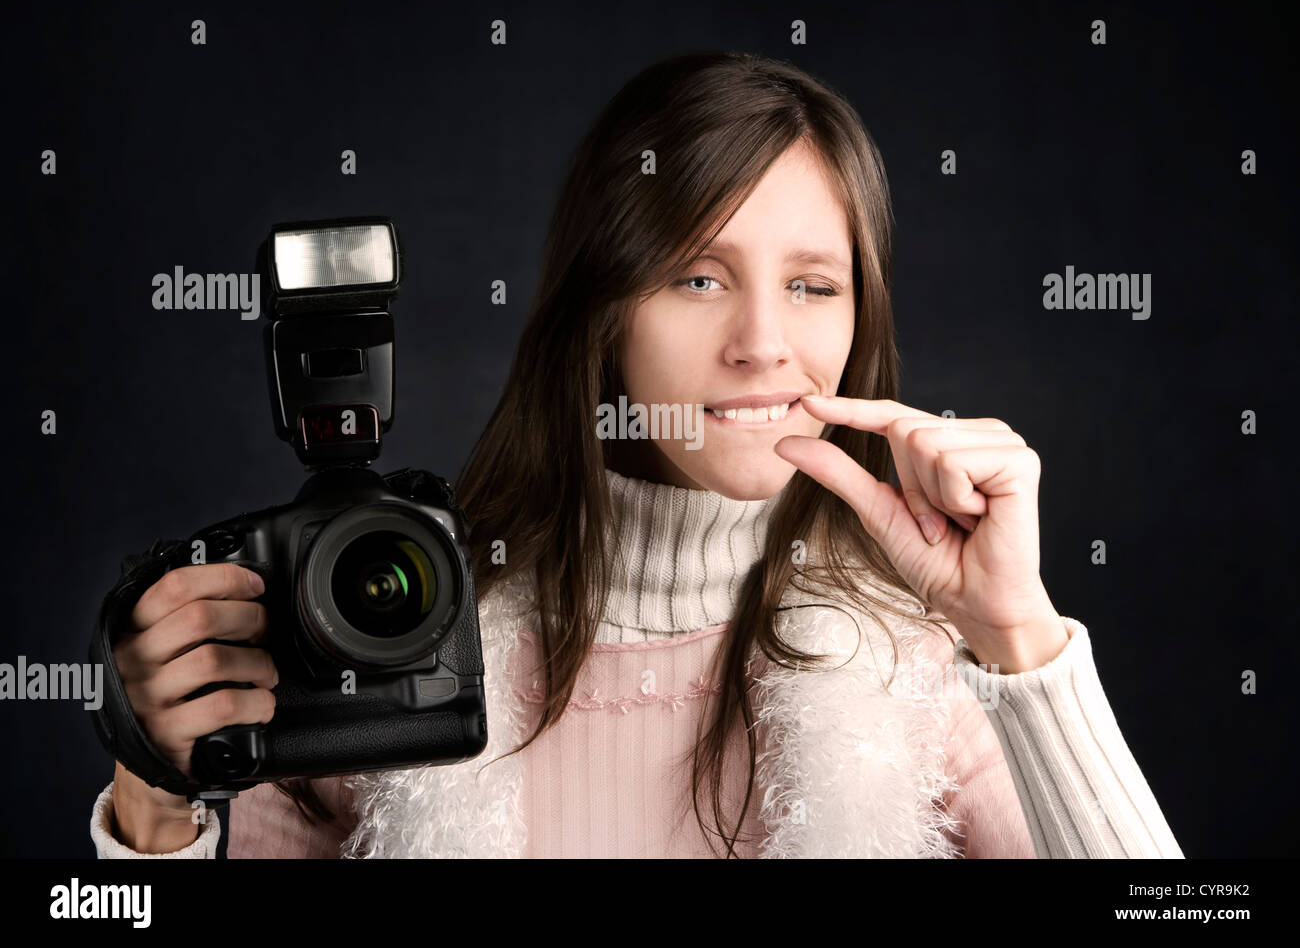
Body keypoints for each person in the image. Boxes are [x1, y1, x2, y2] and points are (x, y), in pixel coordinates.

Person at [90, 50, 1183, 859]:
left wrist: (1020, 635)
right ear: (602, 308)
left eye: (812, 285)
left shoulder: (914, 668)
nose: (764, 342)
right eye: (698, 277)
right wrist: (151, 800)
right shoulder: (391, 634)